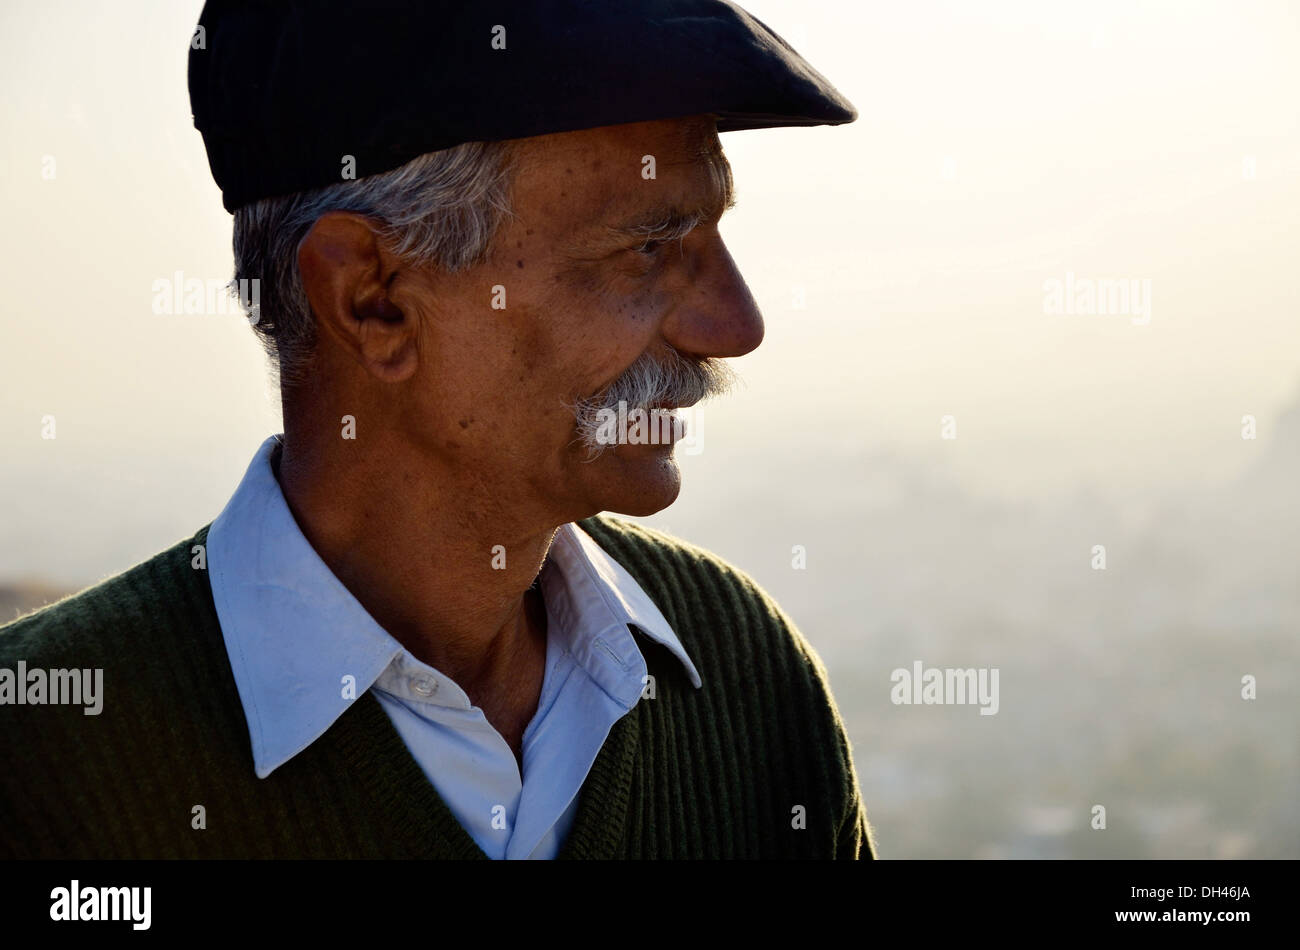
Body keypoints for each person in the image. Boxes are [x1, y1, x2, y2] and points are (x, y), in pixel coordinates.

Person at [0, 0, 875, 859]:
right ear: (371, 299)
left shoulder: (744, 669)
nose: (736, 325)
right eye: (649, 247)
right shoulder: (38, 760)